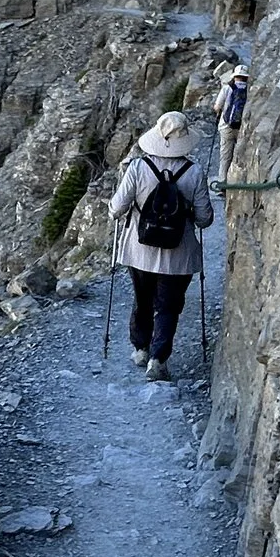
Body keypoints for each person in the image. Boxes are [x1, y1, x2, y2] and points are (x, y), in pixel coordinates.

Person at [107, 110, 214, 382]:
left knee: (142, 299)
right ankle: (158, 360)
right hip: (178, 254)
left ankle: (140, 349)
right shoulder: (195, 172)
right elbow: (205, 219)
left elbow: (117, 209)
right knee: (169, 306)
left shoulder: (138, 167)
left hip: (140, 250)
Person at [216, 68, 251, 178]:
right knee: (240, 155)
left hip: (226, 127)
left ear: (234, 76)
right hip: (242, 128)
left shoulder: (227, 88)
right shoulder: (249, 89)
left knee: (225, 156)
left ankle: (222, 181)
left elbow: (217, 107)